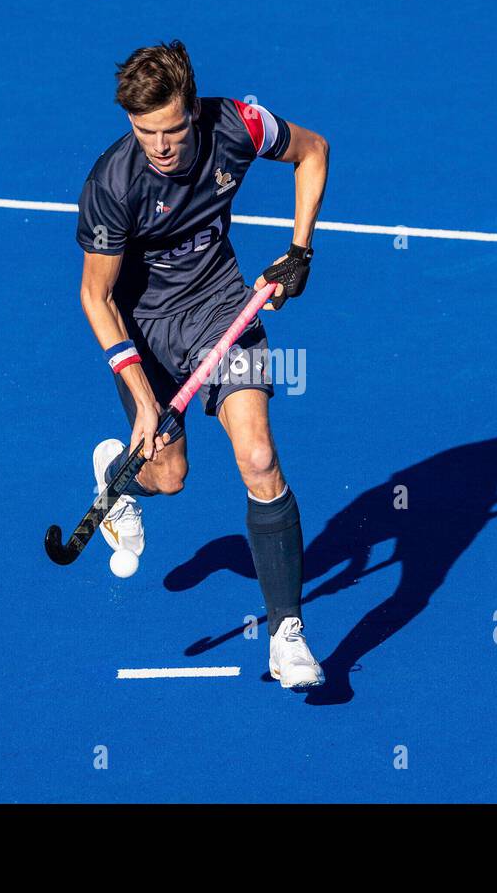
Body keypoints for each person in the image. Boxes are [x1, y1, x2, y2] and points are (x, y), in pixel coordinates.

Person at [76, 40, 330, 689]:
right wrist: (143, 400)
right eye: (143, 132)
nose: (158, 147)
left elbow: (312, 151)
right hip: (145, 336)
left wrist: (299, 249)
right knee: (170, 477)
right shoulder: (112, 184)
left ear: (194, 110)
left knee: (259, 458)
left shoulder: (238, 125)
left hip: (222, 311)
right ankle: (119, 479)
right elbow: (95, 297)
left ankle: (286, 636)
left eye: (170, 129)